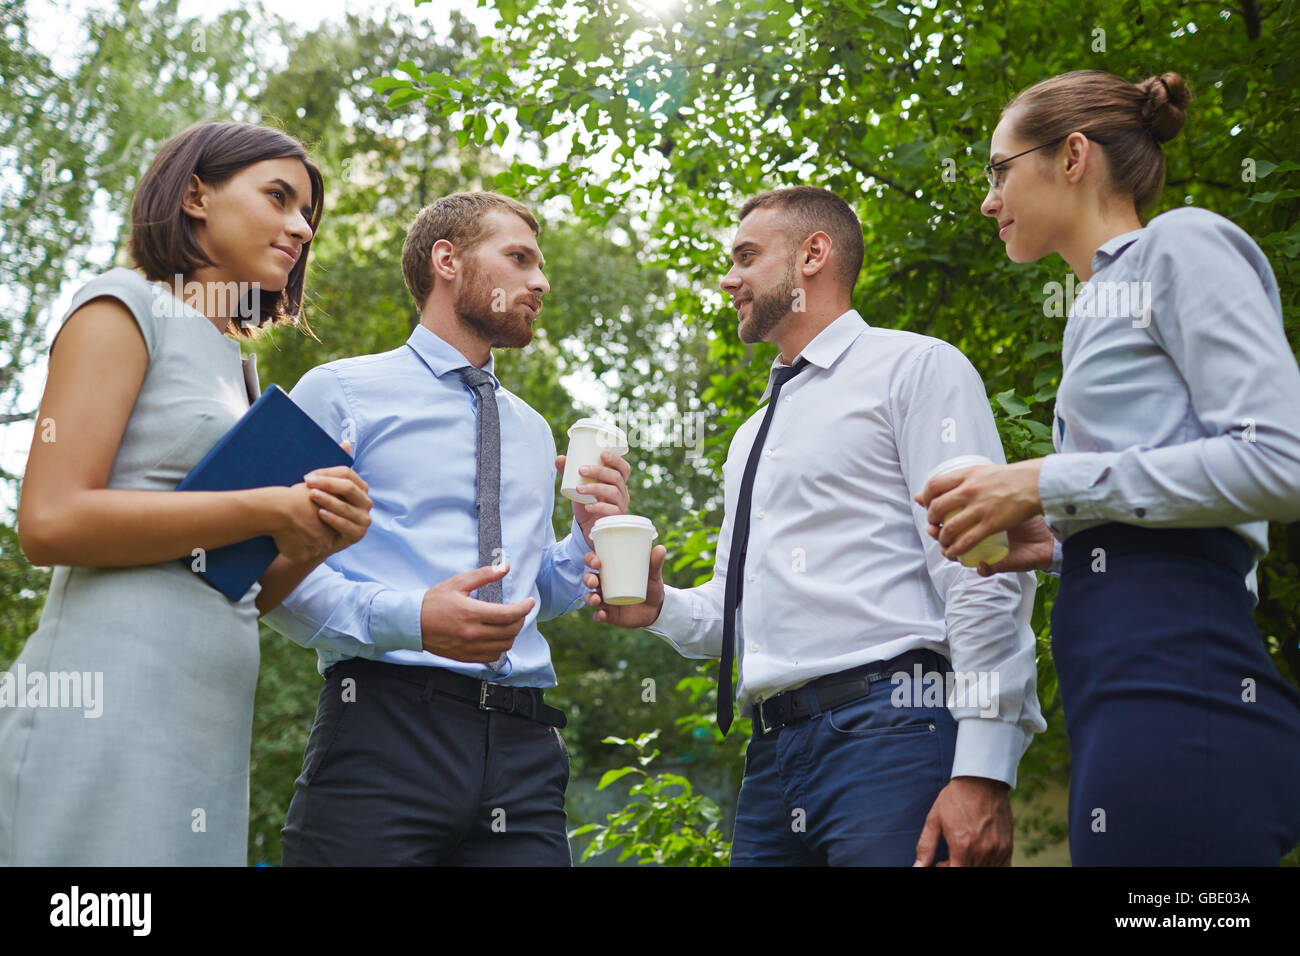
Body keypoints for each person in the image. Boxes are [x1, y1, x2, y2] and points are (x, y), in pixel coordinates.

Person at [583, 186, 1046, 866]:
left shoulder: (915, 368)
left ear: (814, 255)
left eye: (746, 256)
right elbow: (733, 617)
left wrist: (983, 765)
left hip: (893, 730)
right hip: (772, 760)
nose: (728, 277)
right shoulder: (750, 435)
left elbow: (981, 572)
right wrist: (658, 608)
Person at [916, 70, 1300, 865]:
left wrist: (1042, 481)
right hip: (1118, 682)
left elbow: (1282, 458)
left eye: (998, 168)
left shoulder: (1182, 243)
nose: (988, 199)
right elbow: (1161, 495)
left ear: (1073, 155)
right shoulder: (1092, 309)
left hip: (1179, 675)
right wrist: (1057, 545)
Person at [0, 122, 373, 866]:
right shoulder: (123, 305)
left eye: (309, 216)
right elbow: (48, 521)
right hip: (107, 689)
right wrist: (266, 507)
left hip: (208, 717)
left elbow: (237, 587)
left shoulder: (240, 374)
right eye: (279, 197)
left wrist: (316, 535)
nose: (301, 227)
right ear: (196, 194)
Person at [262, 191, 631, 866]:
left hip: (526, 752)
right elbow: (270, 577)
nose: (541, 282)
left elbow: (531, 594)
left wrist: (585, 537)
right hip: (382, 731)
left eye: (540, 265)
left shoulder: (532, 428)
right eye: (519, 258)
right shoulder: (336, 391)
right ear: (447, 260)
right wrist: (413, 619)